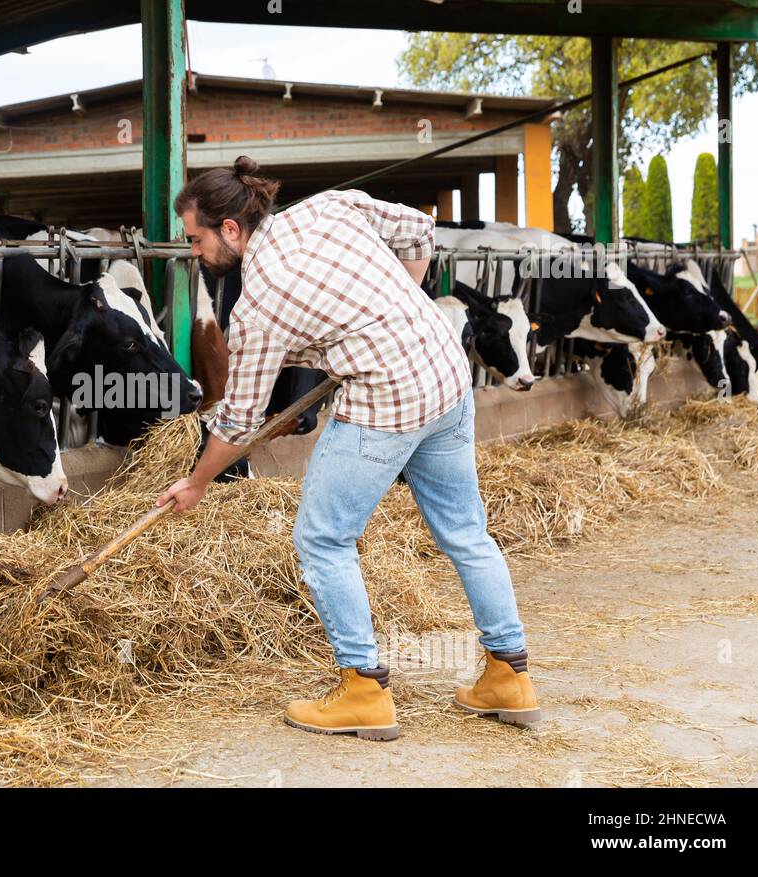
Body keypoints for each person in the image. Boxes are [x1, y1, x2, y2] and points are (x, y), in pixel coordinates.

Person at [156, 156, 540, 741]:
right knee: (466, 532)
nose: (194, 252)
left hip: (387, 401)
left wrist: (200, 480)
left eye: (195, 238)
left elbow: (238, 419)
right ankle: (510, 677)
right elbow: (419, 229)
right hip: (445, 375)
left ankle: (363, 689)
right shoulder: (329, 206)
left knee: (323, 538)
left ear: (230, 229)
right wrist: (397, 312)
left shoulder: (257, 304)